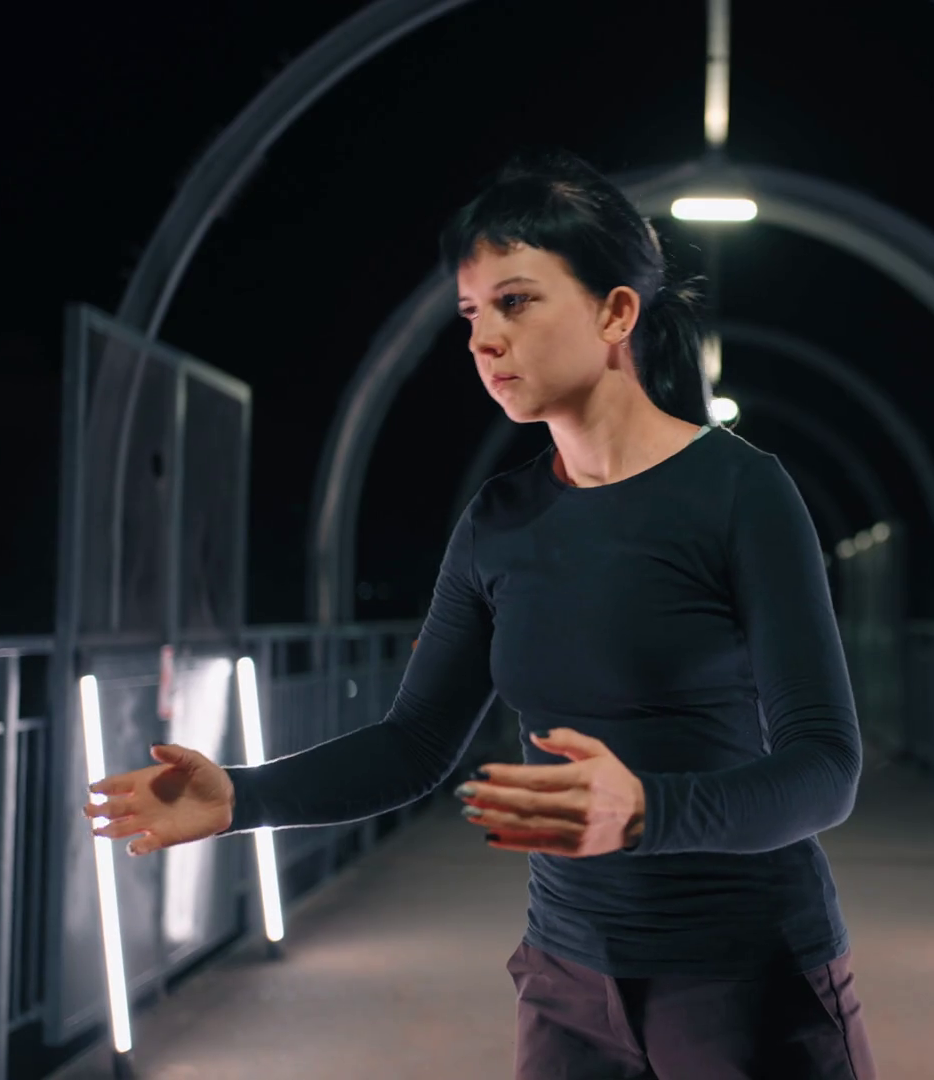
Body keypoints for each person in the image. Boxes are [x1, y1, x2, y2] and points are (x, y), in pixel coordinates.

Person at [82, 148, 879, 1080]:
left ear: (616, 312)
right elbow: (417, 742)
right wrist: (244, 798)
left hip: (748, 982)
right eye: (470, 315)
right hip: (571, 984)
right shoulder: (500, 521)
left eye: (516, 301)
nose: (482, 340)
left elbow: (827, 768)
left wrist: (648, 811)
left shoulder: (742, 493)